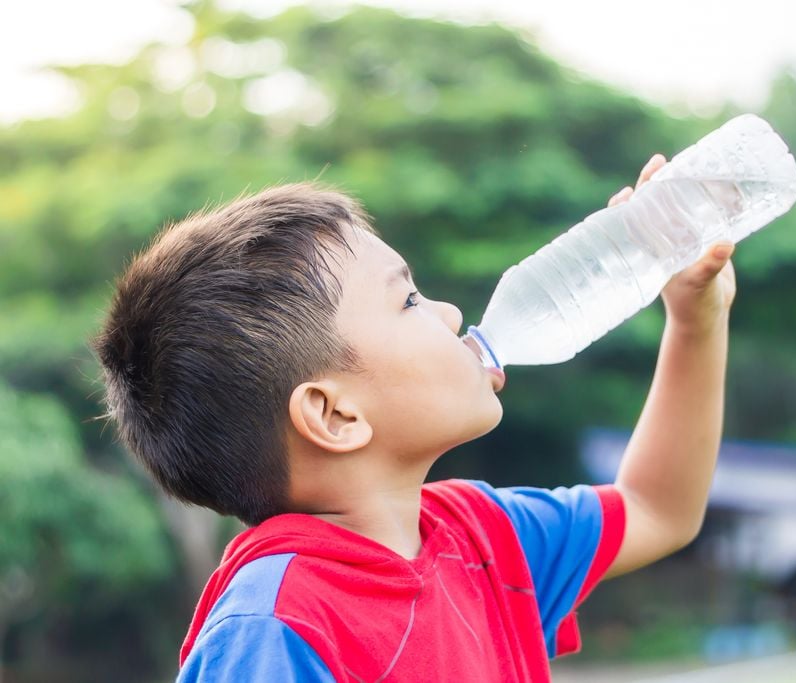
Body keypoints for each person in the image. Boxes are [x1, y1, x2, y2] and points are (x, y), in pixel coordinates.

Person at [91, 153, 736, 681]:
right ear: (335, 414)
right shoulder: (275, 629)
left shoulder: (484, 537)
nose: (451, 313)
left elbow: (658, 509)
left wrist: (694, 321)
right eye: (408, 299)